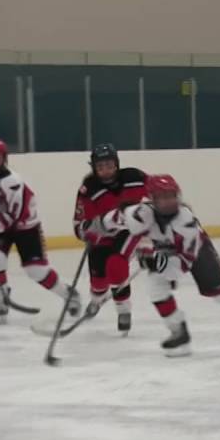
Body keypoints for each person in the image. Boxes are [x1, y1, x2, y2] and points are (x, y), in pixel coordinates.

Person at [98, 174, 220, 356]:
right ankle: (178, 332)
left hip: (196, 252)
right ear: (152, 199)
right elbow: (118, 217)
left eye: (171, 196)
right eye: (163, 197)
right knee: (155, 288)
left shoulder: (185, 223)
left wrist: (155, 260)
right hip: (163, 251)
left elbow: (180, 267)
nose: (169, 202)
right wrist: (98, 225)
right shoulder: (141, 214)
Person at [0, 139, 81, 323]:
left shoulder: (12, 182)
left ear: (4, 158)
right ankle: (0, 304)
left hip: (25, 227)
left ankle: (70, 295)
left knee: (36, 271)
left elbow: (15, 216)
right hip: (0, 226)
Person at [73, 143, 148, 333]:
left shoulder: (135, 177)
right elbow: (79, 225)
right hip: (102, 237)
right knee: (98, 285)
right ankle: (98, 299)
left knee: (116, 266)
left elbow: (159, 195)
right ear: (94, 168)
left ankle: (123, 309)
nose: (105, 171)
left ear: (117, 164)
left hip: (128, 232)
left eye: (109, 165)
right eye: (100, 167)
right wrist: (87, 228)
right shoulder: (88, 188)